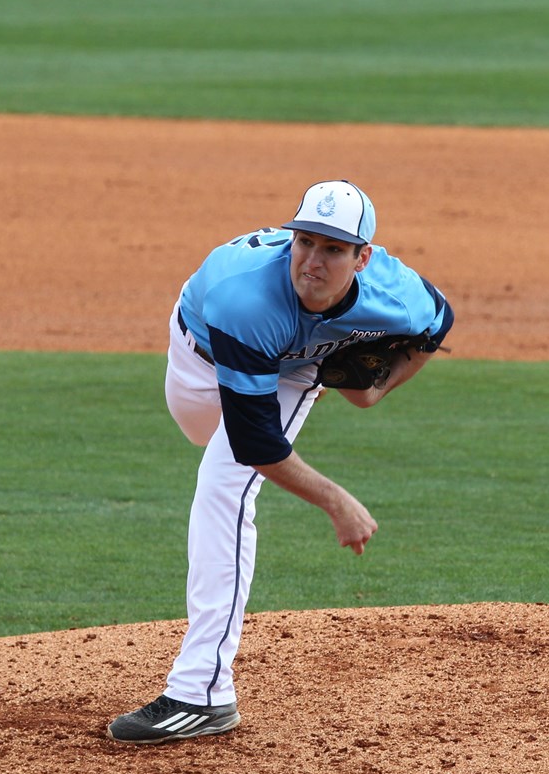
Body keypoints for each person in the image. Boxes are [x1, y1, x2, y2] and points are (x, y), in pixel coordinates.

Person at [106, 179, 454, 744]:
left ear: (363, 257)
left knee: (224, 487)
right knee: (209, 437)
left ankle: (202, 693)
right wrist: (337, 502)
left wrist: (379, 386)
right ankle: (204, 691)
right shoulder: (244, 299)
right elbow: (258, 445)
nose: (313, 261)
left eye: (334, 249)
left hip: (295, 368)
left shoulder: (395, 293)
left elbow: (439, 323)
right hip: (202, 355)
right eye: (305, 242)